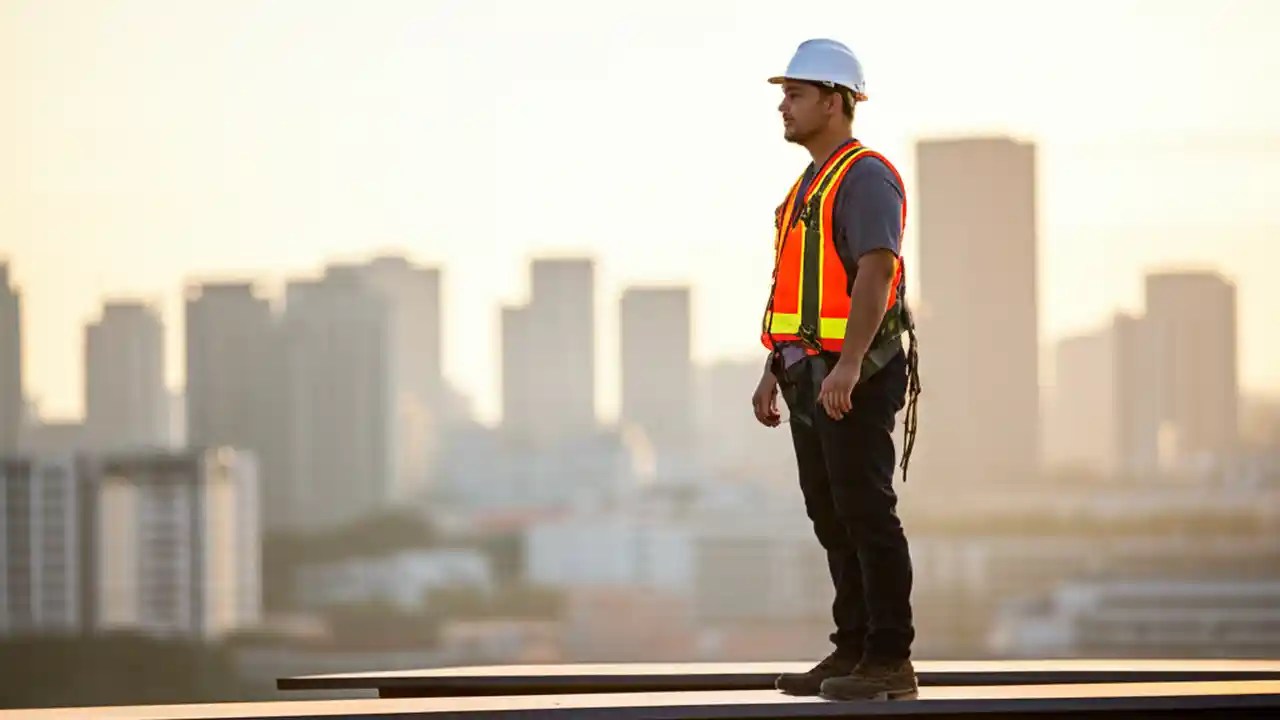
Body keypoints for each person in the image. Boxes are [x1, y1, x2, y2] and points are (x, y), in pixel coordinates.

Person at [752, 38, 922, 702]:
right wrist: (774, 368)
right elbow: (799, 292)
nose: (783, 107)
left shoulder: (864, 177)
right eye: (783, 96)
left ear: (835, 101)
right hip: (808, 374)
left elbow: (876, 275)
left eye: (795, 95)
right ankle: (851, 649)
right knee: (831, 513)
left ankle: (889, 659)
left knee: (866, 511)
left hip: (852, 374)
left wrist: (849, 366)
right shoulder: (806, 189)